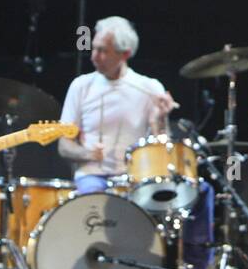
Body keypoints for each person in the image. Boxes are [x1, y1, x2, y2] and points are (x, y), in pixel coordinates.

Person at [57, 16, 177, 192]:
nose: (94, 57)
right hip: (92, 175)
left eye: (103, 51)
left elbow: (161, 146)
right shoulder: (80, 85)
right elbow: (64, 145)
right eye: (94, 48)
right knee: (91, 202)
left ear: (125, 54)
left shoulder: (150, 87)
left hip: (135, 177)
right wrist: (88, 154)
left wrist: (160, 118)